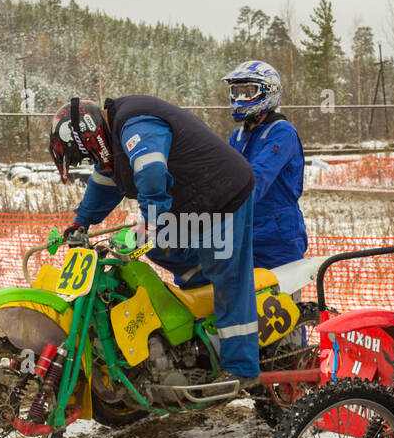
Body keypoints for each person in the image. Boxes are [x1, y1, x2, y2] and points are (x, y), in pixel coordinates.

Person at [49, 95, 260, 389]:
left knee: (227, 275)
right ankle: (202, 308)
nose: (94, 162)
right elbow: (105, 182)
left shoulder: (136, 122)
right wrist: (79, 222)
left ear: (91, 138)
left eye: (89, 155)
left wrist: (149, 223)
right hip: (189, 203)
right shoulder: (113, 145)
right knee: (160, 247)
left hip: (223, 196)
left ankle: (241, 368)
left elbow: (151, 172)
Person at [222, 61, 308, 270]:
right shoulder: (239, 135)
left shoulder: (282, 132)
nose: (240, 98)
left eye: (247, 92)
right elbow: (223, 177)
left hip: (277, 238)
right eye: (237, 92)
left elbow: (257, 178)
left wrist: (222, 206)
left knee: (282, 299)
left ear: (268, 92)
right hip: (245, 234)